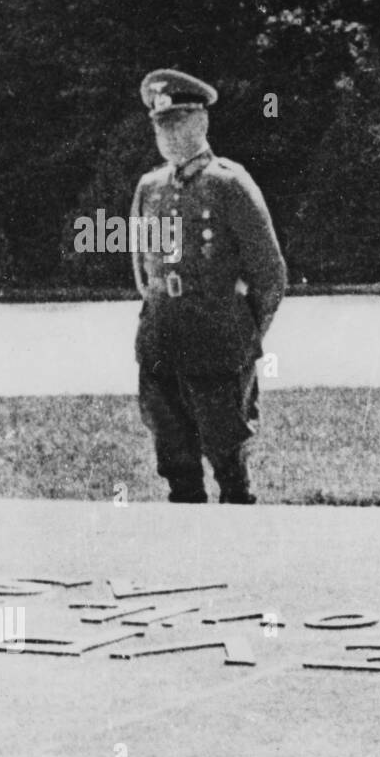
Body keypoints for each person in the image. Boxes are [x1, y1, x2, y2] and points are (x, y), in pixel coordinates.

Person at [131, 69, 286, 504]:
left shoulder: (229, 183)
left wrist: (244, 331)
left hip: (218, 346)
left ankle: (238, 558)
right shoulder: (149, 188)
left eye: (179, 121)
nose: (169, 133)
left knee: (228, 460)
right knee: (175, 462)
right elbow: (144, 271)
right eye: (162, 125)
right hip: (161, 344)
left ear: (202, 122)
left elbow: (270, 274)